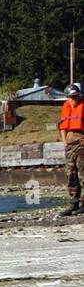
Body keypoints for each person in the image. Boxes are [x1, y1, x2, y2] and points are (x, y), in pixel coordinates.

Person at [60, 82, 84, 216]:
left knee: (83, 174)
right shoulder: (66, 107)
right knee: (71, 174)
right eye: (70, 97)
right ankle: (73, 203)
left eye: (75, 97)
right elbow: (63, 127)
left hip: (81, 142)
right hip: (70, 143)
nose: (73, 100)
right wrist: (65, 142)